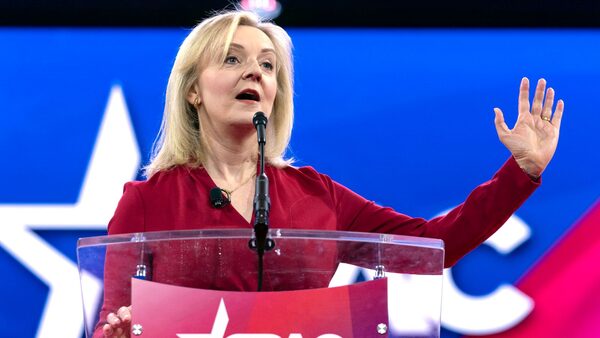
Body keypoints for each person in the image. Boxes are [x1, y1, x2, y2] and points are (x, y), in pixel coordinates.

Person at [97, 10, 564, 338]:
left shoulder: (316, 196)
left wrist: (520, 172)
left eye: (267, 66)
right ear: (193, 91)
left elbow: (433, 248)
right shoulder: (147, 200)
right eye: (233, 59)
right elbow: (110, 322)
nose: (254, 74)